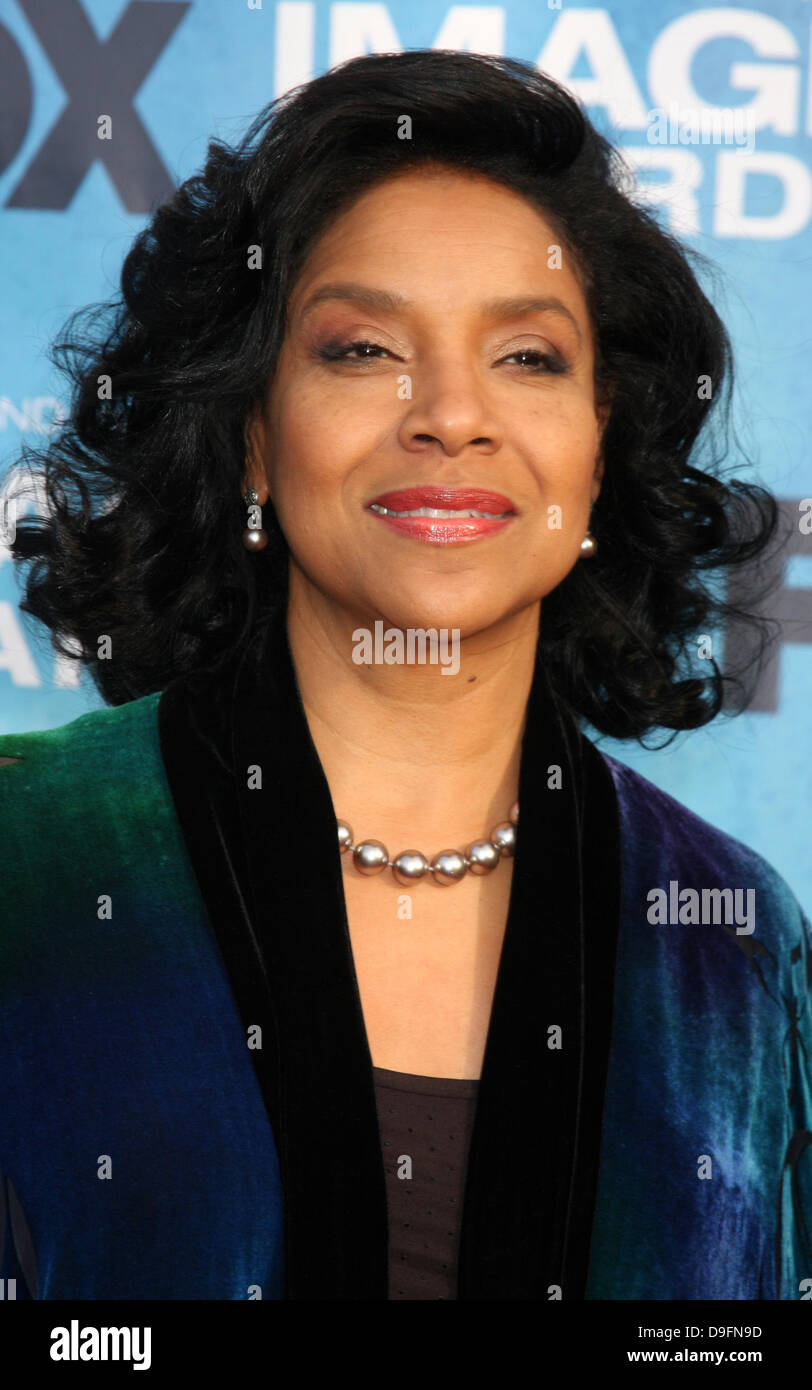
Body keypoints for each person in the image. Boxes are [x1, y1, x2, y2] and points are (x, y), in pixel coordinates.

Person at [1, 49, 810, 1302]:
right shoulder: (31, 855)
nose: (449, 413)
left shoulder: (728, 937)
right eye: (363, 348)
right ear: (255, 438)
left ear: (601, 451)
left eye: (528, 358)